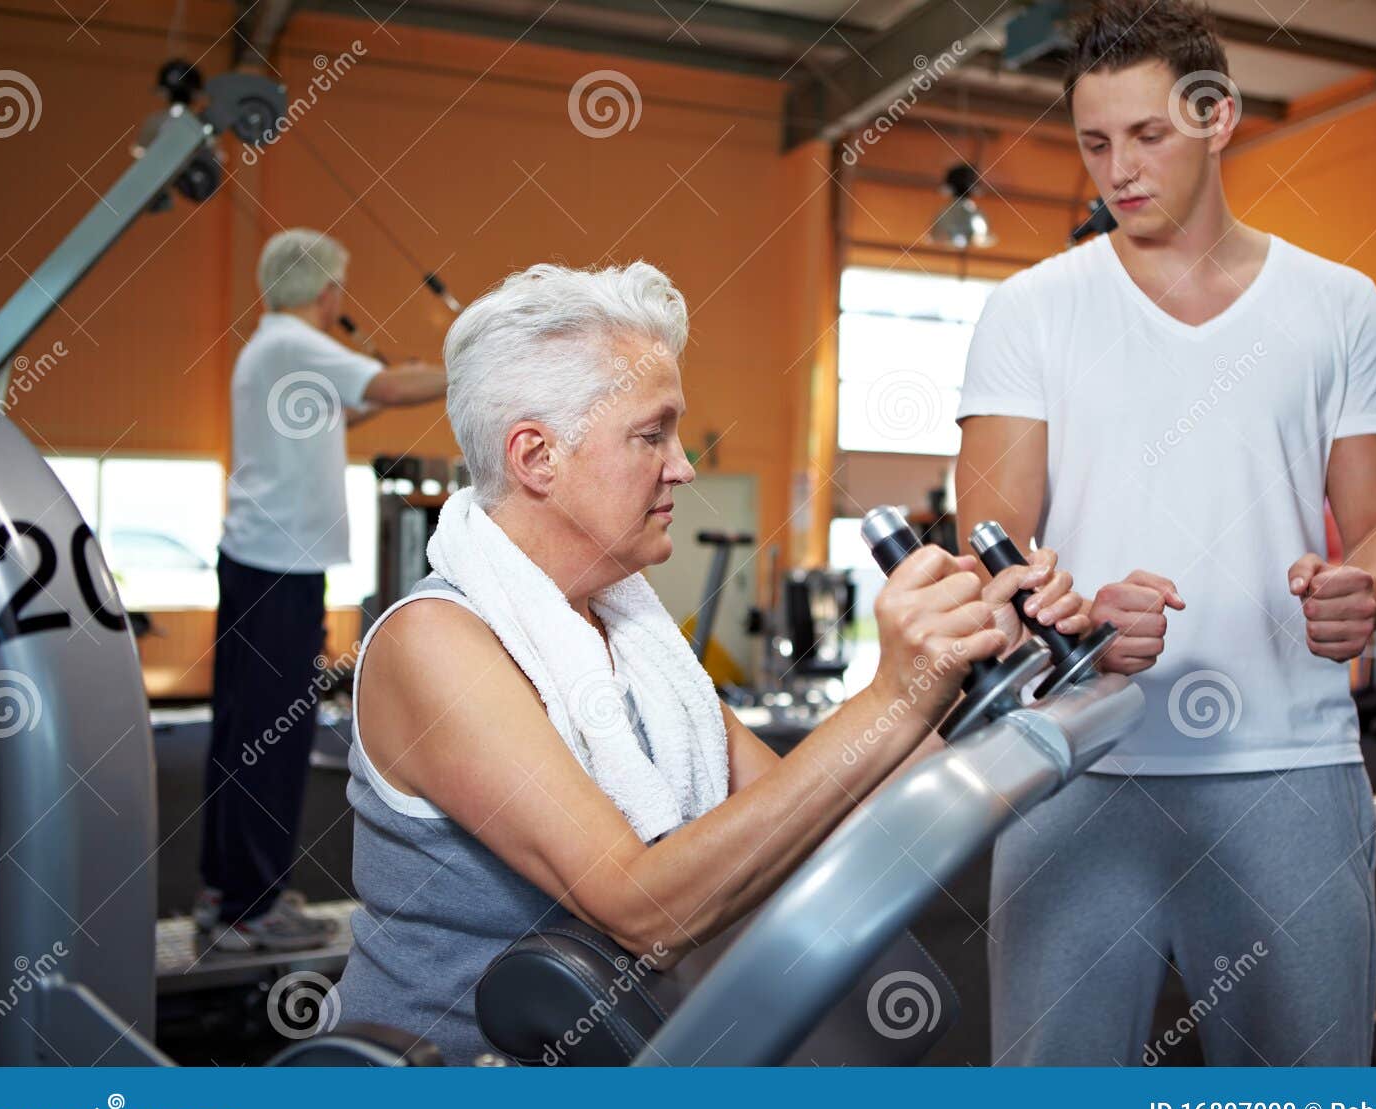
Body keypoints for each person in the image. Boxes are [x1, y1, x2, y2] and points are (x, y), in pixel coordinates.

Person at [327, 261, 1090, 1064]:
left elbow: (825, 824)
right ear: (536, 456)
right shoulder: (436, 643)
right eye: (652, 433)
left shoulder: (630, 636)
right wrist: (891, 694)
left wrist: (985, 668)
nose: (684, 464)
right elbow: (646, 908)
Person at [954, 0, 1376, 1066]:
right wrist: (1067, 613)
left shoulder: (1336, 304)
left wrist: (1367, 586)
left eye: (1147, 135)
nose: (1116, 169)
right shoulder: (1030, 310)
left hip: (1288, 769)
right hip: (1070, 763)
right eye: (1093, 142)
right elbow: (986, 537)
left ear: (1216, 117)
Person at [197, 229, 450, 952]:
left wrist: (394, 377)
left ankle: (227, 889)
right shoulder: (291, 342)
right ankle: (256, 905)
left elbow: (352, 406)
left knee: (241, 728)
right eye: (337, 286)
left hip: (258, 561)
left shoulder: (269, 349)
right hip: (280, 567)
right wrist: (466, 365)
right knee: (274, 738)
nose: (341, 298)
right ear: (323, 290)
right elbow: (389, 387)